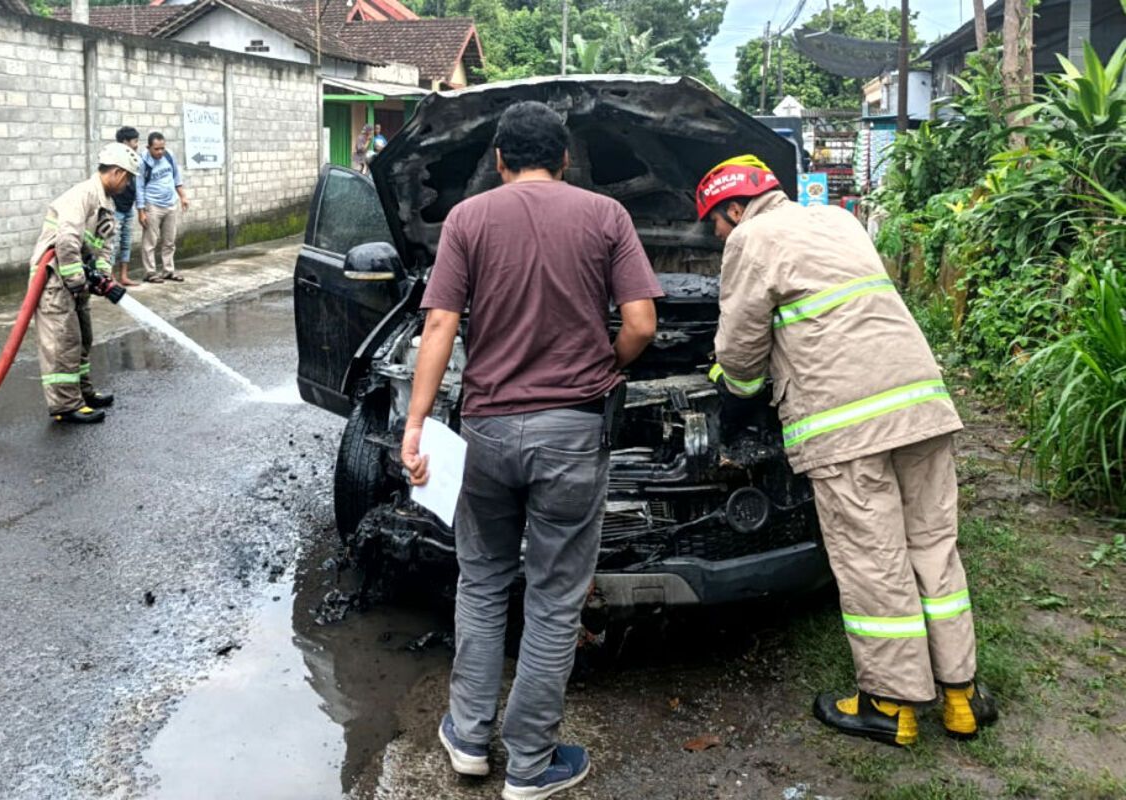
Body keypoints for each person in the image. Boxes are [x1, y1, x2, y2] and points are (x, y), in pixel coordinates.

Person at [400, 101, 662, 800]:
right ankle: (531, 765)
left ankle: (467, 738)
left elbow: (440, 329)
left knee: (482, 584)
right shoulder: (606, 217)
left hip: (487, 431)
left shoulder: (467, 219)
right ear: (566, 159)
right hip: (573, 435)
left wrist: (416, 425)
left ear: (500, 159)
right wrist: (604, 364)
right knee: (552, 601)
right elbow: (641, 322)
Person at [696, 155, 997, 747]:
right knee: (934, 546)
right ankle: (961, 695)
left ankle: (890, 704)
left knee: (873, 558)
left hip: (846, 425)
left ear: (733, 208)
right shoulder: (838, 219)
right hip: (920, 403)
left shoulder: (751, 238)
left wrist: (737, 397)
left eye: (716, 226)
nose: (718, 238)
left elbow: (740, 347)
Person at [29, 143, 137, 424]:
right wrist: (79, 280)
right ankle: (65, 406)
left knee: (83, 337)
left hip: (75, 279)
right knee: (64, 340)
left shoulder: (105, 205)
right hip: (55, 278)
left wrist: (102, 277)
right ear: (116, 172)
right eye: (127, 178)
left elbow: (104, 247)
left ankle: (83, 392)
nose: (128, 185)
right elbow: (66, 240)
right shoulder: (83, 195)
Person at [137, 131, 190, 283]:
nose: (160, 152)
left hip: (170, 204)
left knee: (169, 241)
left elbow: (176, 177)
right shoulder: (142, 162)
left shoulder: (168, 155)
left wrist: (183, 196)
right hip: (152, 206)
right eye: (157, 149)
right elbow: (139, 187)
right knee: (150, 242)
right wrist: (141, 212)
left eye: (162, 148)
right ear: (148, 147)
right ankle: (150, 272)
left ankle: (168, 271)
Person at [111, 126, 140, 286]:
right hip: (115, 207)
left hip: (129, 206)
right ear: (125, 142)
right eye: (134, 141)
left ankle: (124, 276)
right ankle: (111, 277)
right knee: (112, 243)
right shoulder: (113, 159)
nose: (137, 144)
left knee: (126, 241)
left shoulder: (134, 158)